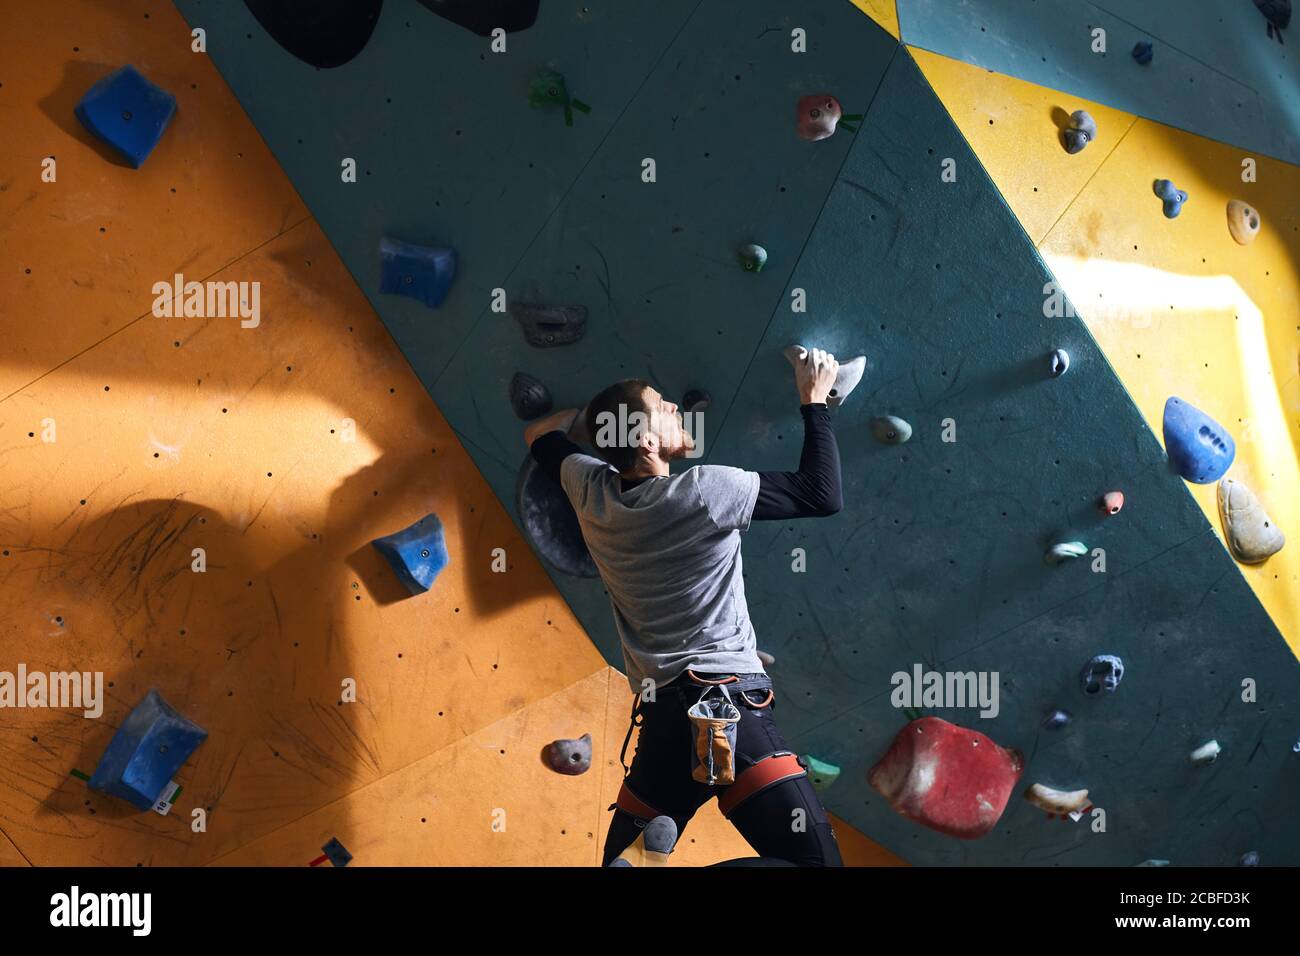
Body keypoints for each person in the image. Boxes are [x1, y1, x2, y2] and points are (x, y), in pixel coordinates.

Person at [524, 348, 846, 866]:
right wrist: (815, 399)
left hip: (668, 730)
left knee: (626, 862)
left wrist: (605, 426)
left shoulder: (590, 492)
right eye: (662, 406)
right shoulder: (705, 492)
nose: (676, 407)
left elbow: (539, 435)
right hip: (730, 711)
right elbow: (822, 494)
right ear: (647, 441)